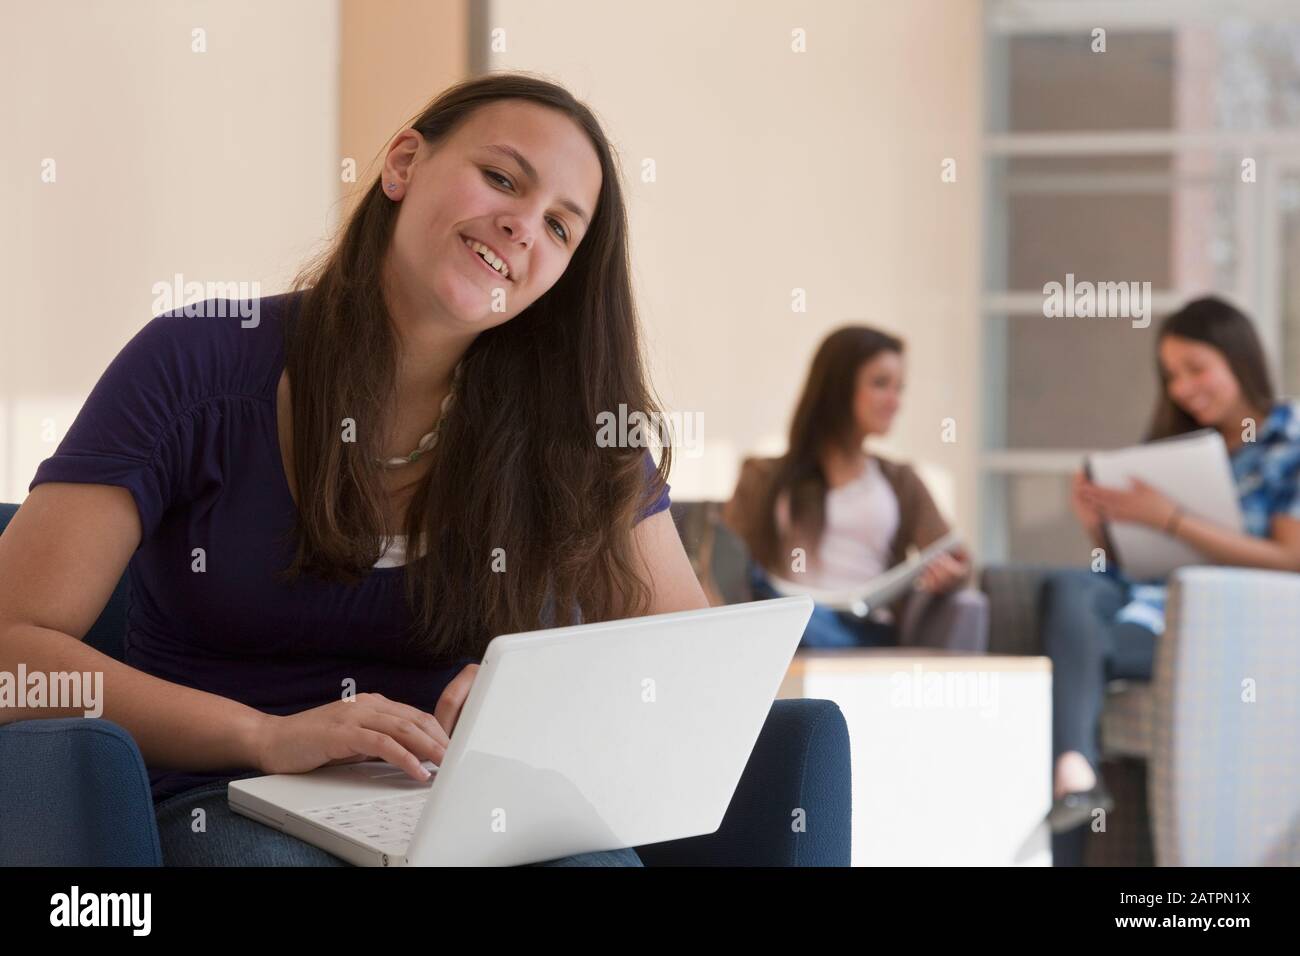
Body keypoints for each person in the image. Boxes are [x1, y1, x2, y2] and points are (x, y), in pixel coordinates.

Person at [0, 73, 709, 867]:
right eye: (502, 179)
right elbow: (9, 649)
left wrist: (542, 701)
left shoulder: (576, 427)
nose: (521, 227)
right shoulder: (191, 361)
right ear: (403, 164)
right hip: (221, 796)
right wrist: (264, 735)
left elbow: (690, 665)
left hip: (463, 806)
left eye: (560, 228)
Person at [1043, 295, 1300, 839]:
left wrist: (1171, 518)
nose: (1183, 388)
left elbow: (1290, 559)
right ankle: (1074, 769)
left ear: (1240, 359)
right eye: (1171, 375)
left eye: (1196, 369)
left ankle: (1072, 775)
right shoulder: (1177, 444)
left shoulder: (1288, 440)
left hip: (1218, 622)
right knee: (1067, 588)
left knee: (1082, 652)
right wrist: (1100, 524)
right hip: (1142, 597)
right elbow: (1133, 561)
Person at [723, 326, 986, 649]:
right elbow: (728, 562)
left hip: (860, 629)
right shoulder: (765, 475)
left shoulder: (900, 480)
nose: (894, 401)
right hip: (786, 613)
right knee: (779, 613)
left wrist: (954, 574)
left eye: (899, 389)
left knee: (792, 626)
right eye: (880, 384)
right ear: (837, 387)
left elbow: (957, 557)